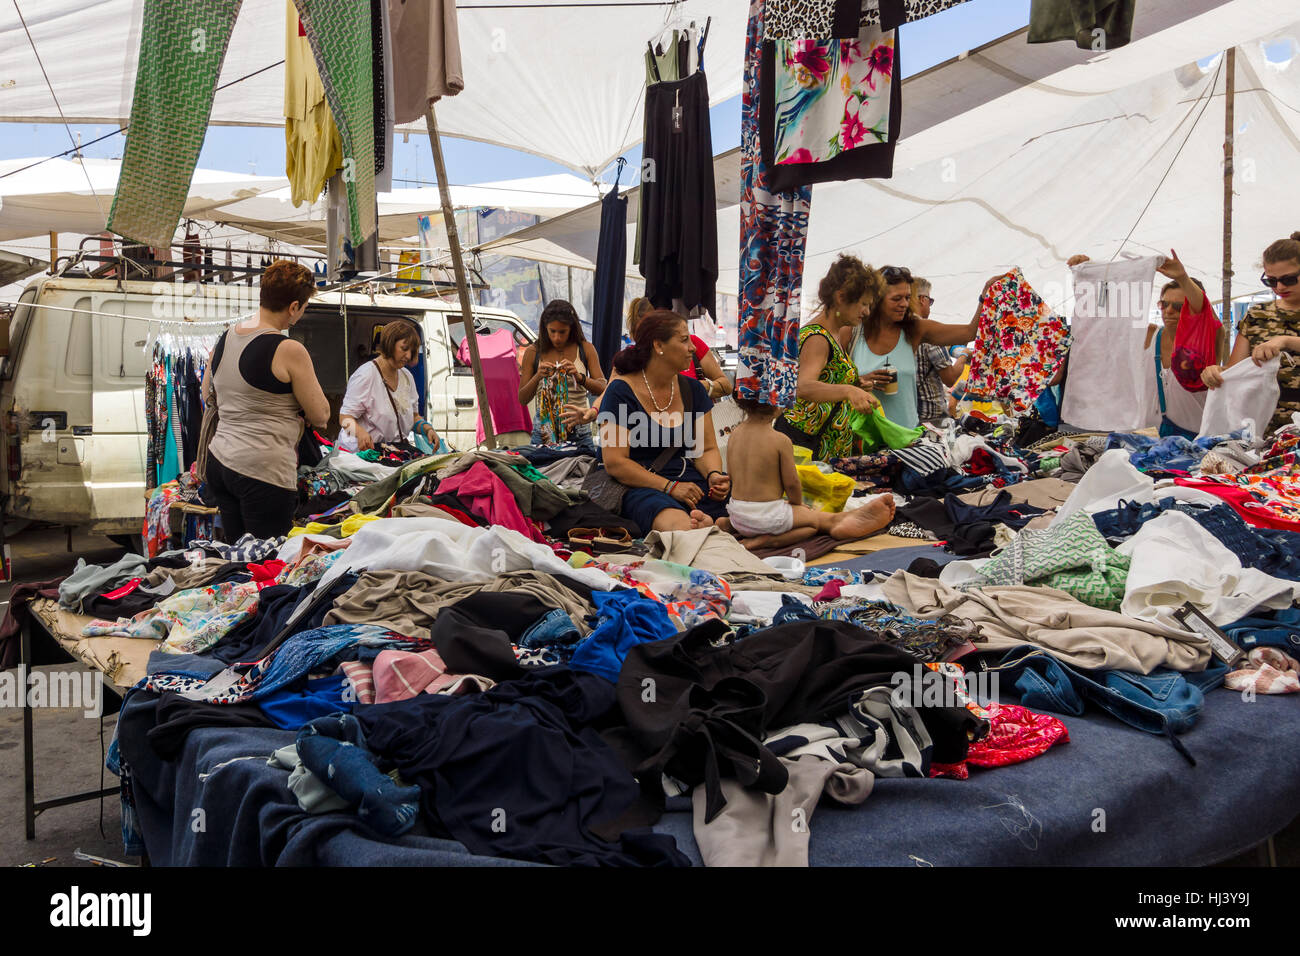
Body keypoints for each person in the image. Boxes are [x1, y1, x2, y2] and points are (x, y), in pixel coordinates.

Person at [204, 259, 329, 540]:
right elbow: (321, 415)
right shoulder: (289, 349)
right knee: (266, 564)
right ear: (294, 307)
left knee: (237, 558)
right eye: (304, 307)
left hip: (221, 462)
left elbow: (208, 396)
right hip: (262, 469)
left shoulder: (225, 338)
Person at [596, 310, 731, 532]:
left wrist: (714, 475)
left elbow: (705, 449)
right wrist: (670, 487)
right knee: (679, 526)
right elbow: (615, 463)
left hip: (689, 484)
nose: (693, 348)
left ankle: (714, 526)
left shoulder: (694, 390)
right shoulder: (620, 392)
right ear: (658, 346)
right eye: (684, 339)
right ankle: (713, 527)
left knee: (754, 511)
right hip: (639, 486)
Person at [717, 398, 896, 552]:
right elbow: (792, 484)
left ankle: (728, 524)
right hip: (767, 517)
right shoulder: (780, 440)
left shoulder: (735, 435)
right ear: (779, 404)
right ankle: (765, 541)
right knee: (812, 524)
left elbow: (732, 475)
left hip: (738, 514)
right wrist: (797, 505)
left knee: (763, 515)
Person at [845, 265, 992, 429]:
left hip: (906, 436)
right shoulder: (852, 331)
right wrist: (858, 382)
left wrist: (984, 296)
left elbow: (969, 333)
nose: (904, 304)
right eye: (896, 298)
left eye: (907, 298)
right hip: (864, 438)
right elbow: (826, 381)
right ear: (877, 298)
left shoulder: (914, 329)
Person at [775, 254, 881, 460]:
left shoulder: (834, 333)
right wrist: (848, 391)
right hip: (806, 447)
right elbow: (803, 386)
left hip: (819, 446)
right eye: (863, 304)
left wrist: (855, 386)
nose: (867, 311)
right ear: (841, 297)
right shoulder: (818, 337)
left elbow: (826, 379)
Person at [1203, 231, 1300, 434]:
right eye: (1271, 281)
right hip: (1262, 429)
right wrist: (1216, 373)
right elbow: (1236, 371)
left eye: (1289, 279)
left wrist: (1285, 341)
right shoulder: (1257, 314)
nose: (1279, 287)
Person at [337, 319, 439, 453]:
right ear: (390, 344)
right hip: (361, 454)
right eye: (404, 349)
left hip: (391, 451)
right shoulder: (365, 375)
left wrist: (427, 429)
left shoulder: (407, 377)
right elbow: (344, 419)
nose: (408, 356)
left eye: (412, 351)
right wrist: (359, 433)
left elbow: (413, 416)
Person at [518, 299, 606, 446]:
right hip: (544, 433)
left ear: (572, 328)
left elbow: (603, 388)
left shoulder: (586, 349)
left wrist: (580, 378)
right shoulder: (533, 352)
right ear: (545, 328)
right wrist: (538, 376)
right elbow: (522, 398)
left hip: (579, 431)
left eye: (562, 332)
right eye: (552, 331)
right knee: (543, 469)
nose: (557, 337)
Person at [629, 301, 732, 401]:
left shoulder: (693, 343)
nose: (692, 348)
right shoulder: (629, 359)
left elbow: (726, 386)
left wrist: (697, 386)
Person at [911, 277, 969, 424]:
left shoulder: (897, 329)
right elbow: (950, 379)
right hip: (932, 418)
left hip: (909, 416)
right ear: (923, 300)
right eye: (930, 302)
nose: (930, 307)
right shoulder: (928, 332)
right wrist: (964, 355)